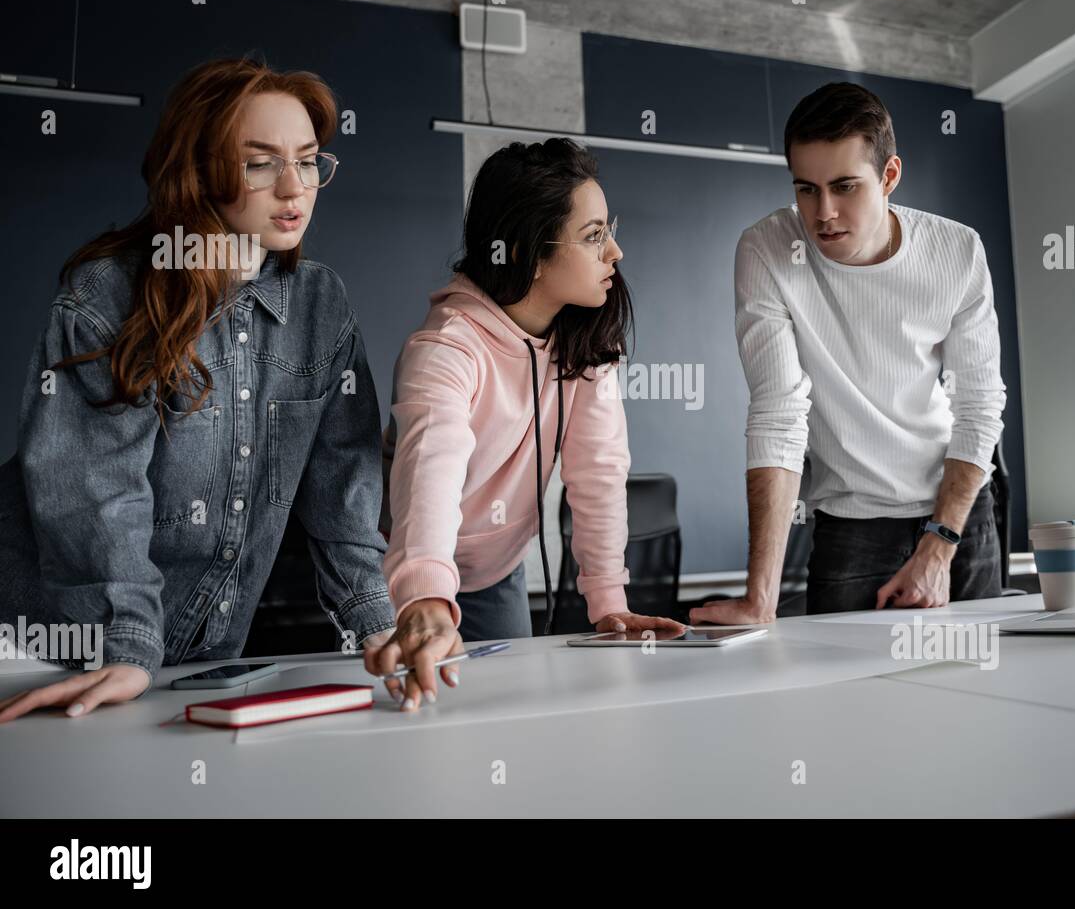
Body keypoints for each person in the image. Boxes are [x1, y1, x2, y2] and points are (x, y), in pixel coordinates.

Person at [0, 58, 395, 722]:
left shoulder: (321, 304)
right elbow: (94, 491)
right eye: (261, 163)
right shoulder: (108, 294)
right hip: (42, 645)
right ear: (201, 168)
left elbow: (341, 488)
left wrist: (376, 623)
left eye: (307, 160)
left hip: (195, 657)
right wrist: (125, 643)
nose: (293, 186)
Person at [373, 138, 684, 710]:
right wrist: (423, 601)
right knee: (409, 722)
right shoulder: (445, 349)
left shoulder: (584, 341)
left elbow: (597, 472)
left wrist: (608, 603)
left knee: (506, 722)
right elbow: (430, 478)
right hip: (401, 578)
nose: (615, 251)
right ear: (526, 254)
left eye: (608, 229)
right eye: (593, 236)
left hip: (497, 574)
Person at [691, 82, 1007, 626]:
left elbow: (979, 405)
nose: (824, 214)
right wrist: (759, 598)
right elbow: (778, 413)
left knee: (979, 694)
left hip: (956, 515)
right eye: (806, 189)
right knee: (842, 703)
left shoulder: (957, 251)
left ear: (888, 176)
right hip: (849, 523)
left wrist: (939, 543)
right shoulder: (766, 249)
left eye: (844, 186)